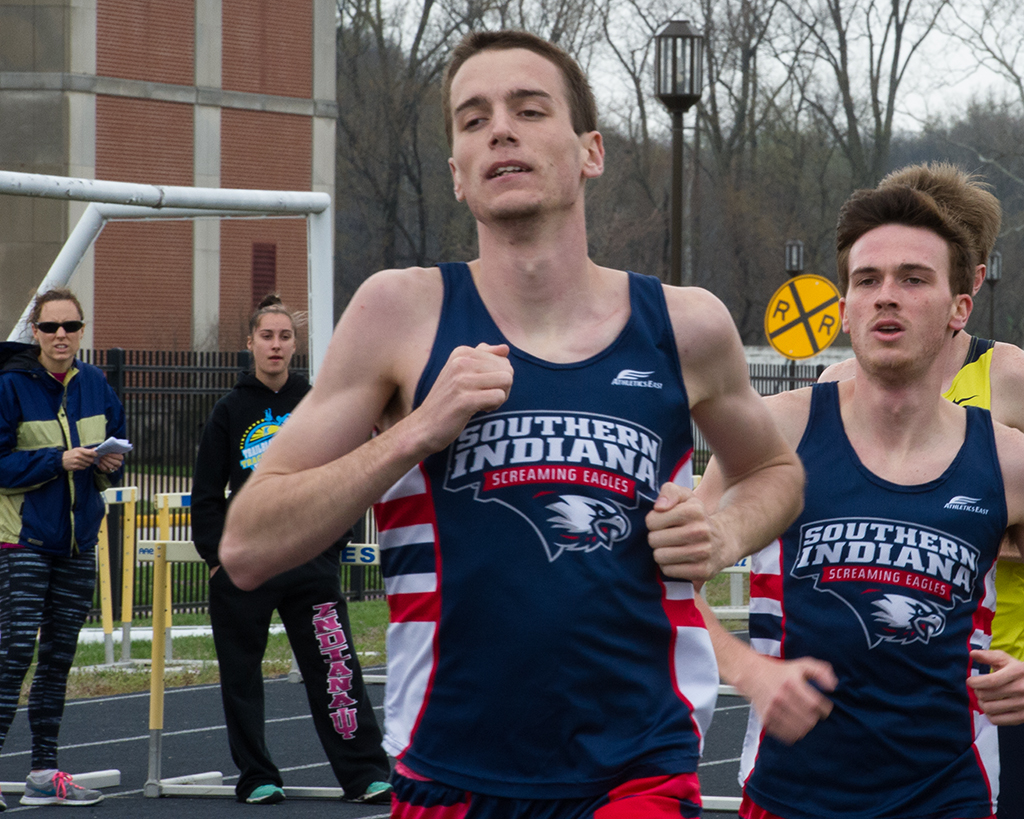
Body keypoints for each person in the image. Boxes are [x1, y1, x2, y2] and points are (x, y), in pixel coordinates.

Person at [218, 29, 804, 818]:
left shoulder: (685, 323)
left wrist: (722, 535)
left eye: (529, 110)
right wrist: (415, 432)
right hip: (449, 766)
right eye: (473, 119)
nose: (500, 129)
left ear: (590, 150)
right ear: (458, 173)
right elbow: (247, 545)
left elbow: (777, 472)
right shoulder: (401, 311)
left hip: (640, 763)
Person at [695, 183, 1024, 819]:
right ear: (845, 308)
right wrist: (750, 672)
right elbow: (647, 580)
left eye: (913, 278)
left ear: (961, 306)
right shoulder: (776, 434)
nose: (887, 296)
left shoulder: (1007, 460)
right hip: (787, 796)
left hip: (949, 796)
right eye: (867, 280)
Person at [817, 162, 1024, 818]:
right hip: (862, 683)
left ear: (969, 282)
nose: (896, 290)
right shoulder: (831, 388)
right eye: (880, 272)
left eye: (918, 272)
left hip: (995, 678)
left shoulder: (1010, 375)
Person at [190, 294, 392, 805]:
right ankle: (257, 775)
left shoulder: (317, 404)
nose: (275, 345)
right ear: (251, 343)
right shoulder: (230, 410)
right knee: (241, 678)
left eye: (284, 337)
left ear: (296, 345)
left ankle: (364, 772)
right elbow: (207, 494)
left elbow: (345, 479)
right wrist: (218, 557)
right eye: (266, 336)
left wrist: (327, 545)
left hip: (309, 564)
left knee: (336, 668)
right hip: (246, 567)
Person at [0, 287, 127, 809]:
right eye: (51, 327)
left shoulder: (96, 383)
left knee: (58, 660)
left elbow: (117, 439)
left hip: (78, 543)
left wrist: (109, 464)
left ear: (81, 331)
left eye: (71, 327)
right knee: (13, 656)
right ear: (34, 331)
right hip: (24, 540)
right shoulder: (10, 386)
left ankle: (44, 771)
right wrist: (59, 460)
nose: (61, 336)